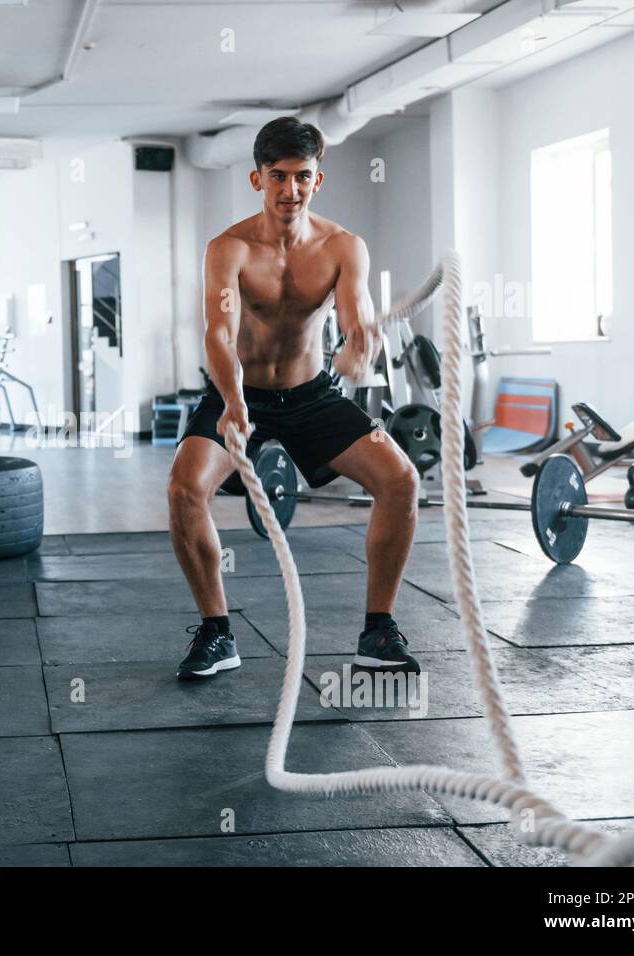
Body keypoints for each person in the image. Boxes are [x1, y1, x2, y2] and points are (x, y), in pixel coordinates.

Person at [167, 116, 419, 681]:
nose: (291, 190)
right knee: (185, 488)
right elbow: (219, 332)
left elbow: (353, 313)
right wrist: (232, 400)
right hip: (239, 392)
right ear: (257, 180)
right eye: (278, 176)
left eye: (302, 177)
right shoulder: (227, 248)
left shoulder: (342, 247)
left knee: (401, 479)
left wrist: (359, 343)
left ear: (318, 179)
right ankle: (216, 633)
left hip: (312, 394)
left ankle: (378, 631)